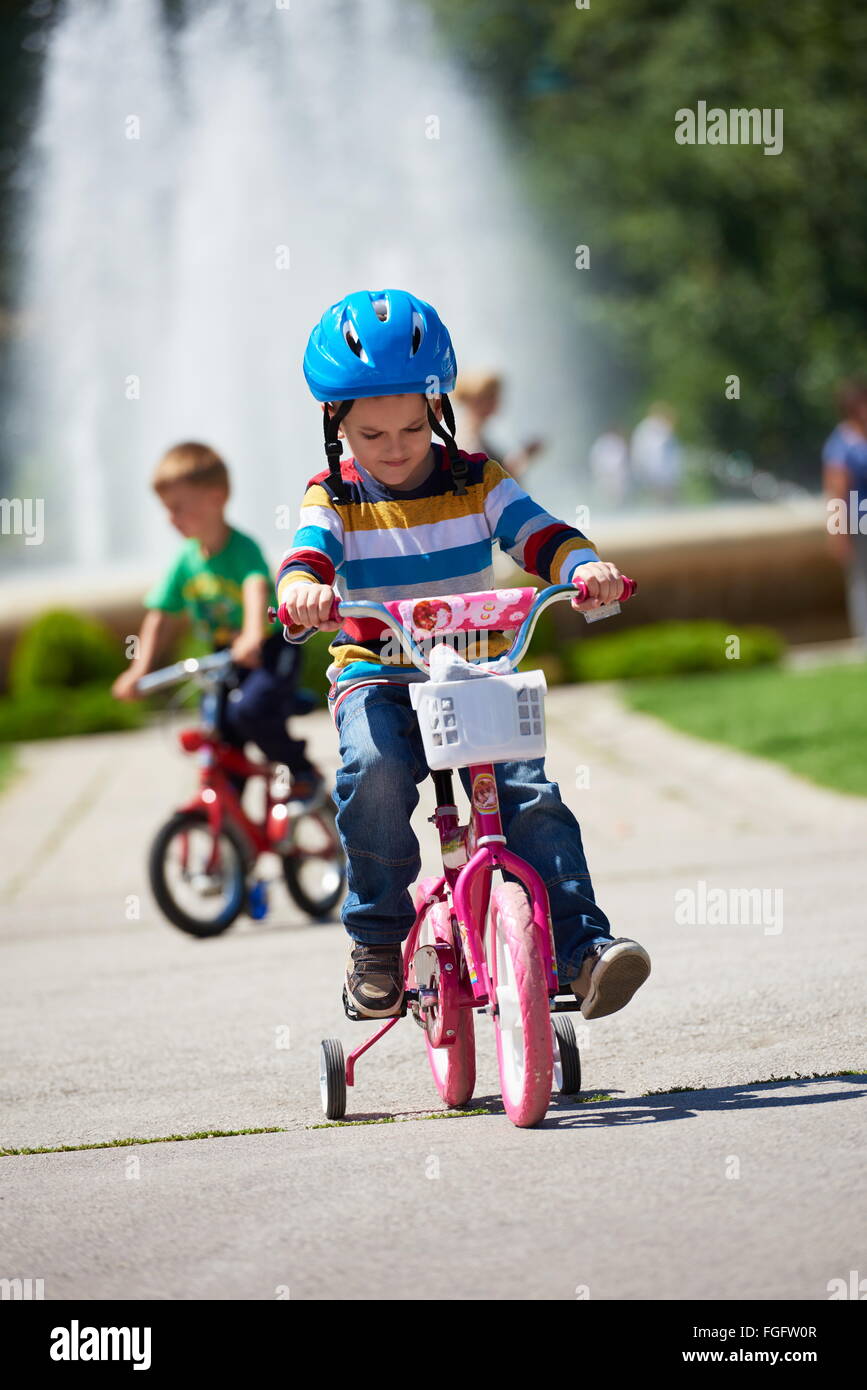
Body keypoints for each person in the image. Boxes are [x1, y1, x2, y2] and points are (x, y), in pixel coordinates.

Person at [276, 288, 651, 1020]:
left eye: (413, 427)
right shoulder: (334, 494)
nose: (395, 447)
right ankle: (378, 946)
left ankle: (582, 950)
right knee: (374, 772)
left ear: (438, 409)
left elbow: (539, 533)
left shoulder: (476, 480)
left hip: (476, 675)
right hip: (378, 676)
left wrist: (581, 567)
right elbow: (308, 554)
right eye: (373, 433)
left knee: (531, 798)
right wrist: (302, 590)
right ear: (336, 422)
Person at [112, 441, 324, 809]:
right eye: (166, 510)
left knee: (250, 712)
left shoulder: (241, 549)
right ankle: (232, 826)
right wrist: (140, 669)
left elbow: (256, 587)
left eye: (178, 508)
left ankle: (301, 769)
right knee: (222, 734)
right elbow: (160, 615)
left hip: (269, 651)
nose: (170, 519)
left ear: (216, 497)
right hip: (225, 658)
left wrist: (253, 635)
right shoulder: (187, 560)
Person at [822, 377, 867, 642]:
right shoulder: (841, 443)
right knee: (862, 581)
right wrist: (837, 533)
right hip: (859, 522)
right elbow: (836, 491)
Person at [454, 369, 544, 481]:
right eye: (491, 396)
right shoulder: (468, 440)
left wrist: (523, 457)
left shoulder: (476, 436)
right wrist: (522, 458)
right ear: (476, 400)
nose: (497, 401)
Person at [630, 403, 682, 506]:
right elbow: (640, 451)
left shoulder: (665, 430)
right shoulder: (646, 429)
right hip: (653, 471)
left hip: (665, 472)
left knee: (668, 497)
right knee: (658, 497)